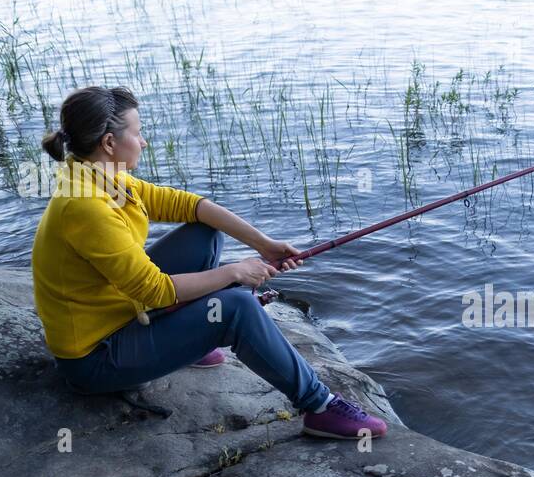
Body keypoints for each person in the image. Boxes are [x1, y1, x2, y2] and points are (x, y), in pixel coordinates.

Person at [30, 84, 387, 440]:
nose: (144, 142)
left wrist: (263, 245)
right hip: (96, 358)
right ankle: (319, 406)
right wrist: (234, 272)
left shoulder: (95, 175)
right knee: (236, 307)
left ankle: (189, 339)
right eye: (138, 134)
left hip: (120, 312)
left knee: (205, 232)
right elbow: (154, 290)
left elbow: (188, 205)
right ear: (109, 143)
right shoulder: (87, 207)